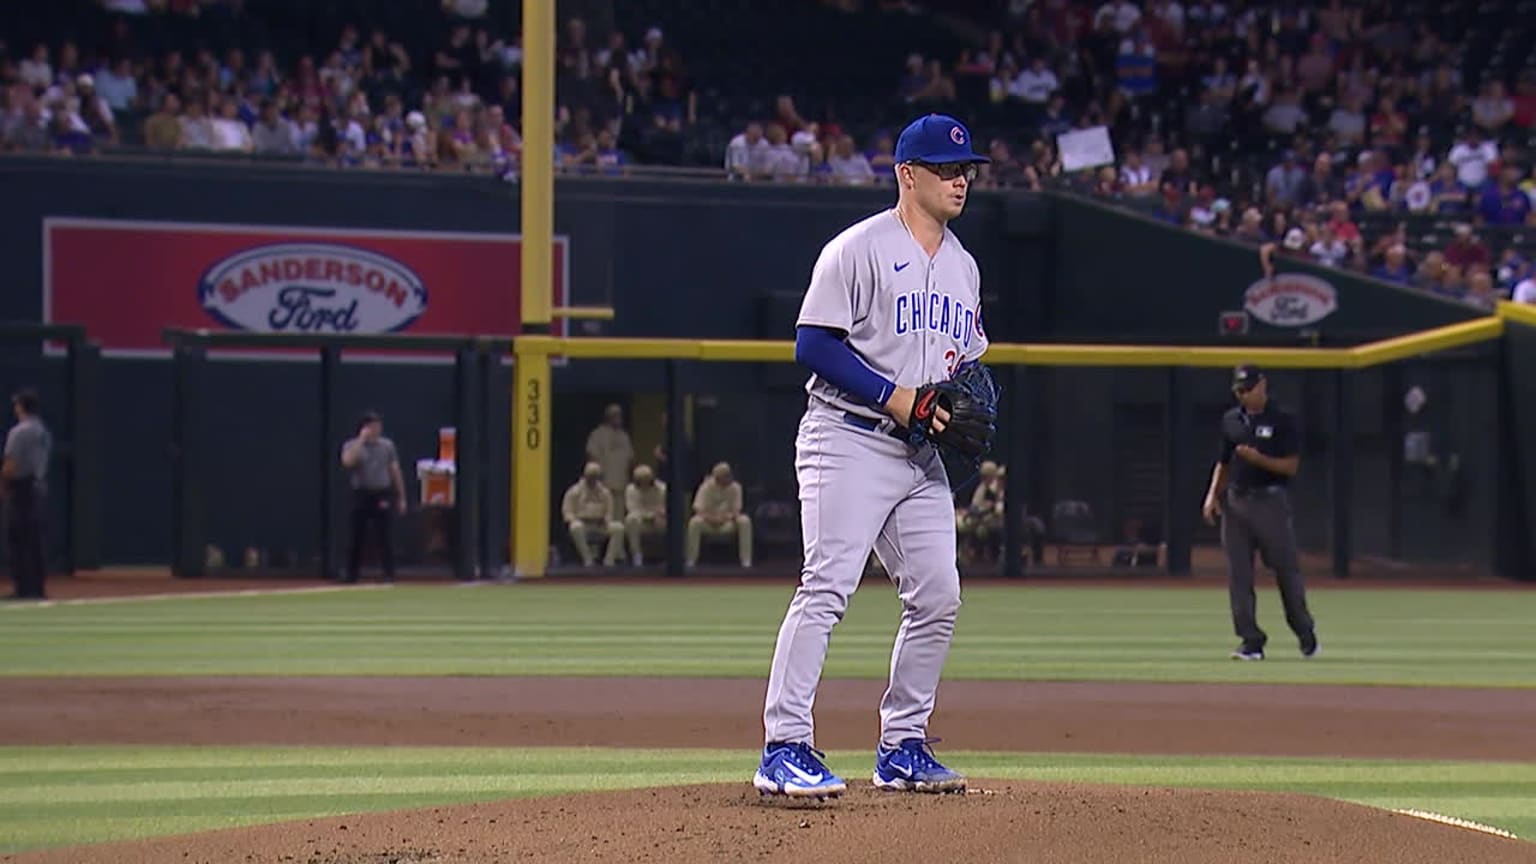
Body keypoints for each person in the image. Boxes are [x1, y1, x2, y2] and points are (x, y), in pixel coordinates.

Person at [754, 113, 990, 799]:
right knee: (827, 587)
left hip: (919, 453)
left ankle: (902, 746)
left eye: (966, 170)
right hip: (847, 437)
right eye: (945, 169)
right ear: (906, 175)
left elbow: (967, 364)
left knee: (938, 595)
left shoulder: (964, 267)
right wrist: (895, 396)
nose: (960, 180)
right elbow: (813, 343)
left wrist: (952, 405)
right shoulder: (857, 250)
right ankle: (783, 745)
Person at [1201, 365, 1319, 661]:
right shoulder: (1232, 420)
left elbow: (1290, 466)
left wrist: (1259, 458)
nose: (1243, 395)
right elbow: (1223, 462)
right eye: (1239, 390)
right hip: (1236, 501)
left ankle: (1304, 631)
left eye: (1248, 389)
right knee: (1239, 574)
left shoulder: (1282, 419)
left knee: (1285, 570)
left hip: (1270, 502)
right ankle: (1250, 641)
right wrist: (1212, 494)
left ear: (1262, 385)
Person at [339, 411, 406, 583]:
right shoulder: (351, 445)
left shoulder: (387, 446)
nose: (376, 430)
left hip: (381, 493)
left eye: (378, 426)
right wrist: (361, 441)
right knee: (356, 535)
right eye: (372, 427)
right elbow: (347, 461)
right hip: (361, 493)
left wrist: (401, 496)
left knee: (384, 535)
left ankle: (388, 573)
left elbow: (394, 470)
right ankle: (351, 574)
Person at [3, 390, 51, 600]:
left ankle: (23, 588)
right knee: (35, 540)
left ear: (21, 407)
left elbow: (11, 464)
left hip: (21, 489)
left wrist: (3, 485)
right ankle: (37, 587)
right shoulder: (43, 431)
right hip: (38, 487)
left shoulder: (19, 432)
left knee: (18, 539)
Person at [685, 462, 752, 568]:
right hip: (708, 522)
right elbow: (698, 509)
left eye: (729, 475)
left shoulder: (736, 487)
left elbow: (736, 510)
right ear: (717, 478)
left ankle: (746, 560)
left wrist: (724, 518)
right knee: (694, 522)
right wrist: (712, 518)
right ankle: (691, 559)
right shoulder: (705, 487)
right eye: (725, 476)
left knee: (745, 520)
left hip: (728, 523)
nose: (728, 478)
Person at [562, 462, 624, 567]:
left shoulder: (605, 493)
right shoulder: (574, 491)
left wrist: (606, 520)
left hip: (600, 525)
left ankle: (609, 560)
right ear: (585, 476)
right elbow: (567, 512)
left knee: (618, 527)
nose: (593, 479)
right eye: (591, 476)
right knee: (575, 527)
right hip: (583, 524)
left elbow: (609, 512)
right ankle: (588, 559)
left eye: (596, 476)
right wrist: (574, 519)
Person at [585, 404, 634, 519]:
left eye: (620, 415)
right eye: (616, 415)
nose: (619, 418)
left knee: (619, 515)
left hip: (621, 482)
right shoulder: (597, 434)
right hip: (603, 483)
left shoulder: (624, 435)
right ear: (608, 416)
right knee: (605, 514)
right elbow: (592, 455)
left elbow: (630, 457)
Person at [623, 464, 666, 566]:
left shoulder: (662, 488)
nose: (644, 483)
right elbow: (632, 509)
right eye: (641, 481)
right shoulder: (630, 489)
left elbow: (664, 507)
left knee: (671, 522)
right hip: (641, 521)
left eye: (647, 480)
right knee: (630, 520)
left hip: (658, 521)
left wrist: (658, 515)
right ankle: (637, 555)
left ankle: (669, 556)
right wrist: (648, 516)